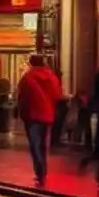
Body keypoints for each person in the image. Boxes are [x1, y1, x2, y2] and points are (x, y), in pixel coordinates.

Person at [17, 55, 63, 187]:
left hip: (32, 115)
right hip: (48, 115)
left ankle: (39, 170)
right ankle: (43, 170)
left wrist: (21, 113)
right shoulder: (51, 77)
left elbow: (22, 97)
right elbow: (58, 95)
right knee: (43, 145)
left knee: (35, 144)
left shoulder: (27, 78)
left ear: (31, 63)